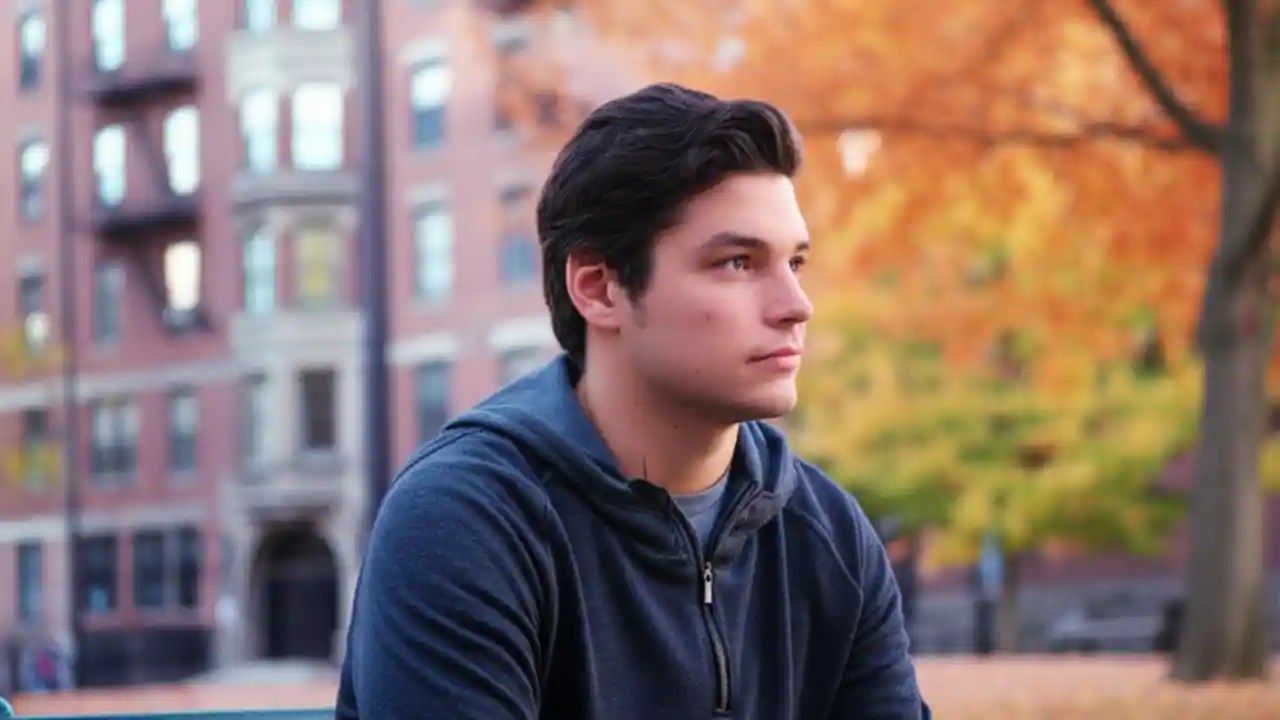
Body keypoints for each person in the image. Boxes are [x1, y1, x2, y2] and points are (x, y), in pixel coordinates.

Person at [336, 82, 930, 719]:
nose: (796, 306)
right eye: (737, 262)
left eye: (797, 264)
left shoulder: (827, 534)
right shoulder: (465, 521)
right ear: (599, 289)